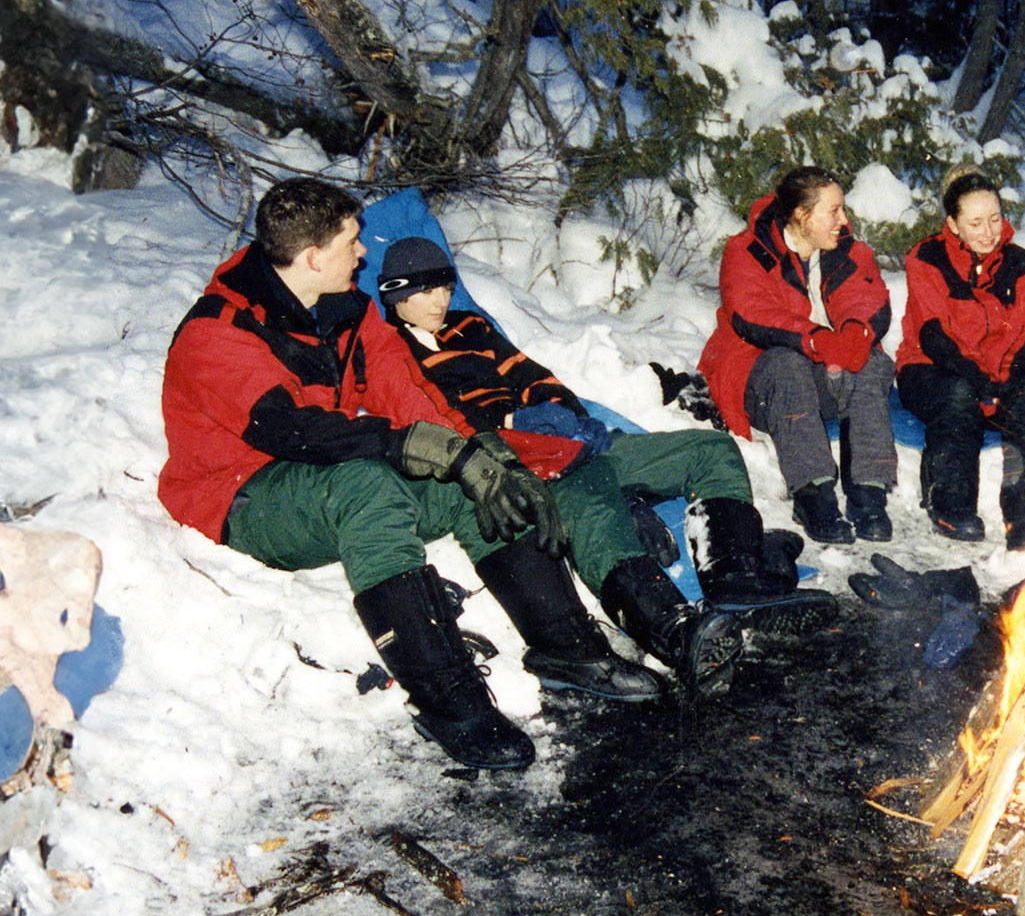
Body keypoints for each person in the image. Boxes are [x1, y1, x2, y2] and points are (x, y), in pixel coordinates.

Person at [159, 178, 656, 773]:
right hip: (241, 493)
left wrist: (480, 454)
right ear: (313, 257)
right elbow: (296, 432)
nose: (363, 252)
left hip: (322, 473)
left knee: (473, 480)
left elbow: (408, 391)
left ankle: (567, 649)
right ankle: (446, 699)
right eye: (351, 242)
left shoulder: (345, 305)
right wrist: (419, 448)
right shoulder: (218, 332)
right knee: (366, 480)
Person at [375, 238, 831, 697]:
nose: (441, 300)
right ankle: (672, 631)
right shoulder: (389, 351)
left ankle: (736, 580)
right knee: (591, 504)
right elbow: (433, 420)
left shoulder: (470, 327)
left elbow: (531, 375)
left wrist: (564, 414)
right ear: (396, 295)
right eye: (426, 291)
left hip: (564, 439)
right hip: (516, 459)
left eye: (445, 287)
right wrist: (513, 421)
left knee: (709, 450)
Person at [699, 166, 898, 545]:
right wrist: (816, 339)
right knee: (787, 362)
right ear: (802, 216)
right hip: (763, 384)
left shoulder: (850, 250)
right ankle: (813, 495)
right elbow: (752, 313)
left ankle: (868, 493)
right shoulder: (746, 250)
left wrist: (856, 332)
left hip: (825, 379)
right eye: (834, 211)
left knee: (872, 360)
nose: (844, 219)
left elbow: (866, 297)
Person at [897, 170, 1025, 550]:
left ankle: (1024, 519)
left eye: (995, 219)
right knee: (959, 396)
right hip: (932, 366)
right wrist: (977, 375)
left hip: (1003, 371)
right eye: (975, 223)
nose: (988, 232)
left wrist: (1005, 377)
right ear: (953, 223)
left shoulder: (1020, 264)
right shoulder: (927, 257)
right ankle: (950, 504)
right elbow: (933, 333)